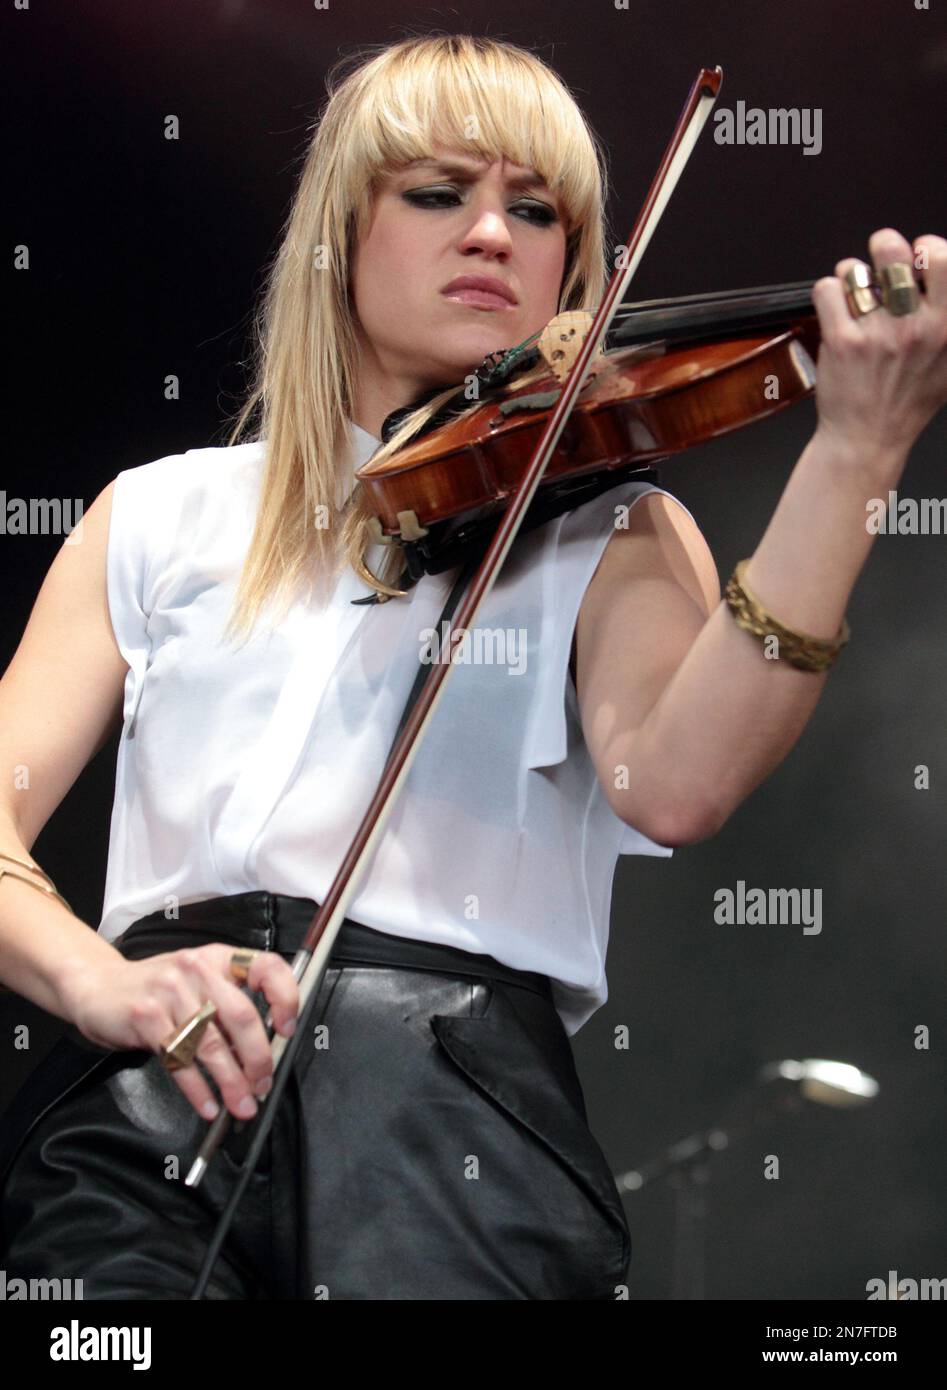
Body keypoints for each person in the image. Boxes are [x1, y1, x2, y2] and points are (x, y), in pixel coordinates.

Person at [0, 35, 944, 1301]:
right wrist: (96, 979)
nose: (492, 234)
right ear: (341, 230)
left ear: (571, 264)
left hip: (448, 1123)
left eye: (536, 208)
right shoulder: (158, 513)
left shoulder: (605, 522)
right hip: (144, 1106)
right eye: (438, 193)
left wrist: (854, 457)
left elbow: (675, 783)